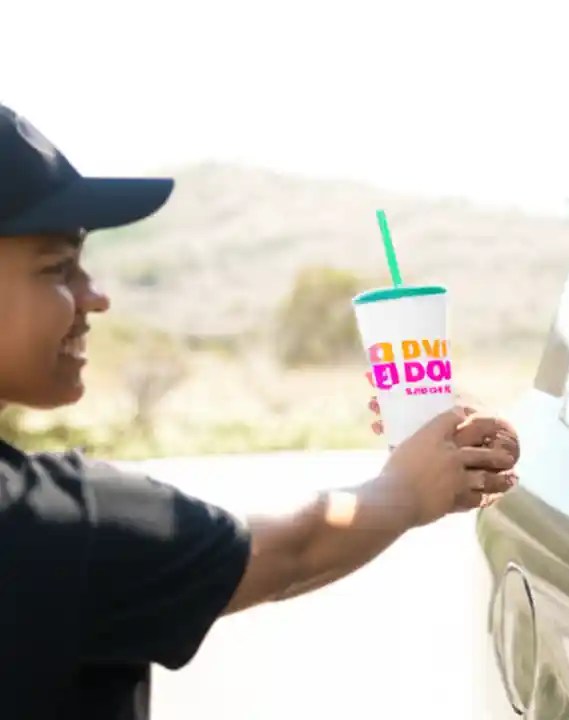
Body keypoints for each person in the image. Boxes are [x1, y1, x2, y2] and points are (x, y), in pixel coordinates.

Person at [0, 103, 520, 719]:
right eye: (59, 268)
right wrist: (406, 490)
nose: (96, 295)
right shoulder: (49, 526)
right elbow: (289, 552)